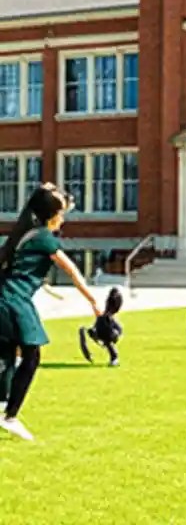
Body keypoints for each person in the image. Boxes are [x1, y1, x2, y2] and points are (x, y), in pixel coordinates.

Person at [0, 184, 100, 441]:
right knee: (31, 355)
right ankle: (10, 416)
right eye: (62, 214)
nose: (63, 219)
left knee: (10, 353)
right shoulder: (44, 237)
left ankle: (3, 405)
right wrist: (93, 302)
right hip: (13, 300)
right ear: (51, 215)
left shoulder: (25, 234)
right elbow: (72, 270)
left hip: (5, 297)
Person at [78, 286, 124, 366]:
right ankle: (113, 358)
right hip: (105, 330)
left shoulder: (104, 315)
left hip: (105, 331)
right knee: (108, 341)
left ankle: (112, 357)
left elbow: (96, 306)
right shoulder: (106, 315)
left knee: (107, 339)